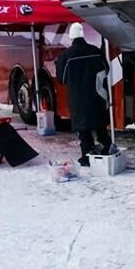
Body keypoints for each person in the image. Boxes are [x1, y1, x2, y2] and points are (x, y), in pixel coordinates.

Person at [55, 23, 111, 166]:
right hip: (98, 94)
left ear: (71, 37)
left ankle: (87, 156)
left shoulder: (66, 56)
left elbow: (61, 78)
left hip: (78, 97)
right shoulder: (96, 51)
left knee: (83, 127)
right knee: (100, 124)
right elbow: (107, 70)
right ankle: (107, 149)